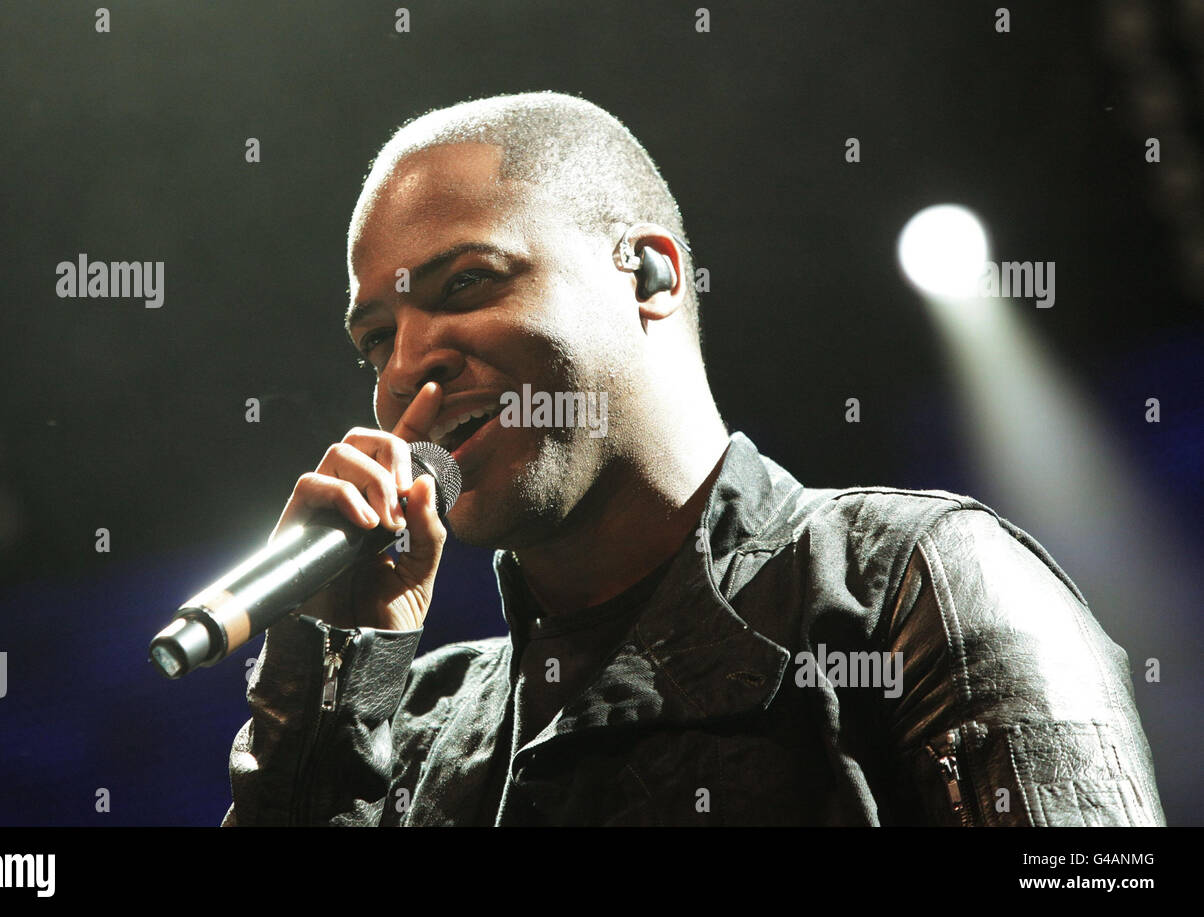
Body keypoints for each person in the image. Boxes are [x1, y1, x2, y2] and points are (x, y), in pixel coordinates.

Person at [222, 91, 1165, 826]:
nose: (404, 368)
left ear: (651, 274)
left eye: (466, 281)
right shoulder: (421, 724)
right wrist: (333, 681)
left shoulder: (909, 585)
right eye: (374, 340)